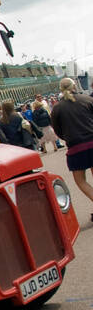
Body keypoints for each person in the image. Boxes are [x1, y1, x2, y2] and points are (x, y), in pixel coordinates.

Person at [50, 77, 93, 216]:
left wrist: (69, 138)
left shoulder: (57, 108)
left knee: (81, 181)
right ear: (74, 86)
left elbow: (57, 130)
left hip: (76, 148)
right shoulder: (87, 99)